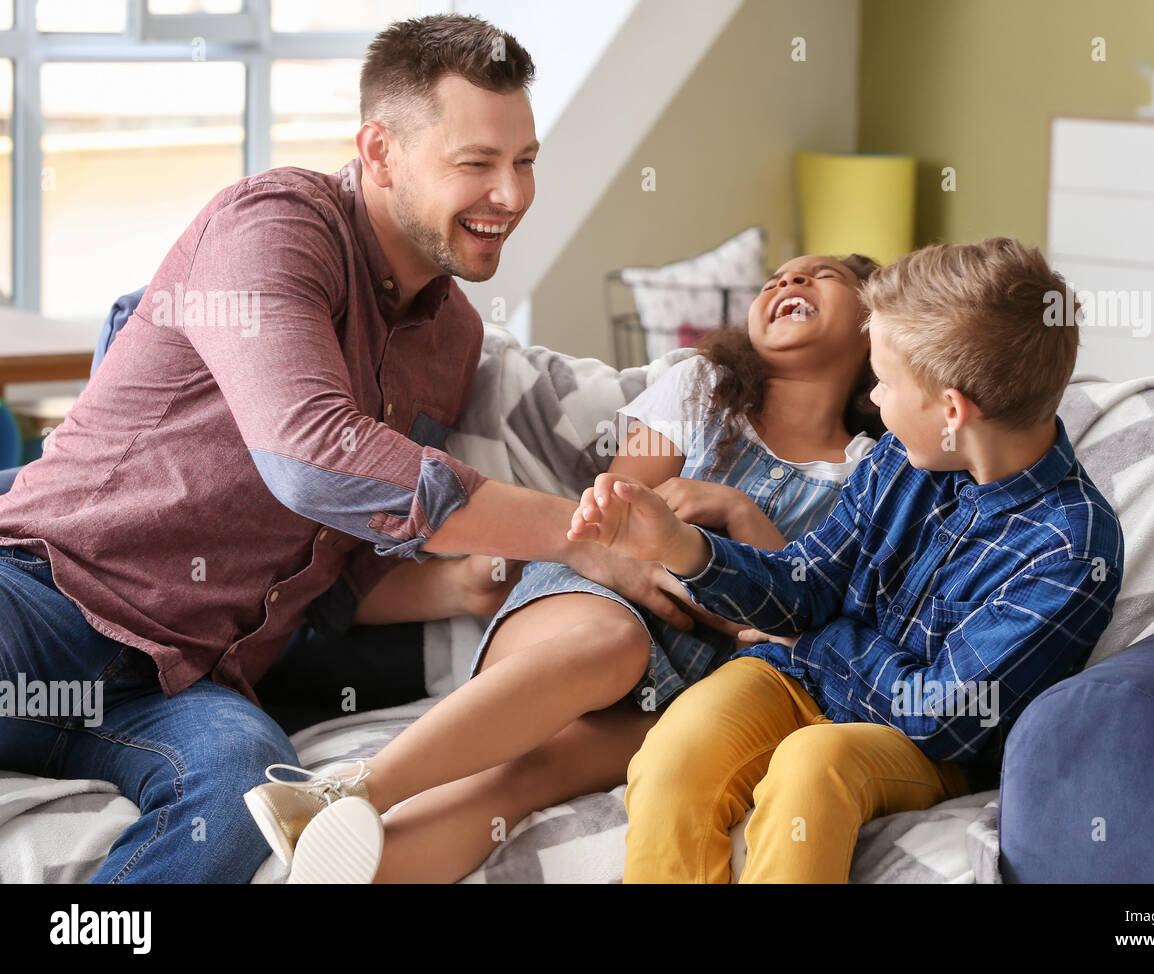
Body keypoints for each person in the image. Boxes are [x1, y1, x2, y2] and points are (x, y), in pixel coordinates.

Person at [0, 14, 695, 884]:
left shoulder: (451, 340)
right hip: (41, 596)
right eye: (477, 162)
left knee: (245, 799)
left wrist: (491, 580)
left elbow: (340, 566)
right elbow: (315, 455)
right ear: (380, 150)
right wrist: (590, 537)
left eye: (525, 162)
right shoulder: (275, 224)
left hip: (184, 685)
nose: (512, 194)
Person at [247, 252, 889, 883]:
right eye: (778, 277)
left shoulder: (873, 471)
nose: (791, 279)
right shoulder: (704, 390)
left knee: (529, 776)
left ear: (875, 328)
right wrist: (683, 555)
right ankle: (344, 792)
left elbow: (801, 623)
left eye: (824, 276)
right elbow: (608, 522)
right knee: (612, 643)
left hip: (701, 683)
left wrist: (738, 514)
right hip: (602, 598)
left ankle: (344, 871)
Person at [570, 237, 1126, 883]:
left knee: (814, 767)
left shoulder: (1069, 550)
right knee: (674, 756)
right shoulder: (901, 458)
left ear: (951, 411)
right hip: (790, 676)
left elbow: (940, 715)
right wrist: (677, 544)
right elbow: (804, 585)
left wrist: (814, 636)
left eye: (885, 383)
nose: (877, 401)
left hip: (913, 745)